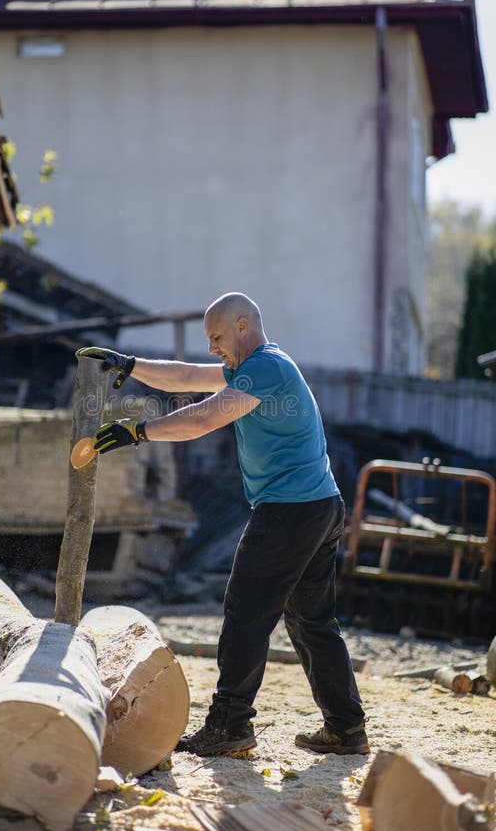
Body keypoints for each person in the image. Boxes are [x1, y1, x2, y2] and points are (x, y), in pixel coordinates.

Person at [77, 292, 368, 757]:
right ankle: (346, 729)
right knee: (313, 622)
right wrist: (130, 365)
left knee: (246, 611)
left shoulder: (265, 368)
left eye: (216, 336)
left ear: (241, 327)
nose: (212, 347)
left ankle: (230, 724)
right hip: (318, 505)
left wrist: (139, 431)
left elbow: (206, 415)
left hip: (291, 510)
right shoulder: (255, 366)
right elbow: (187, 376)